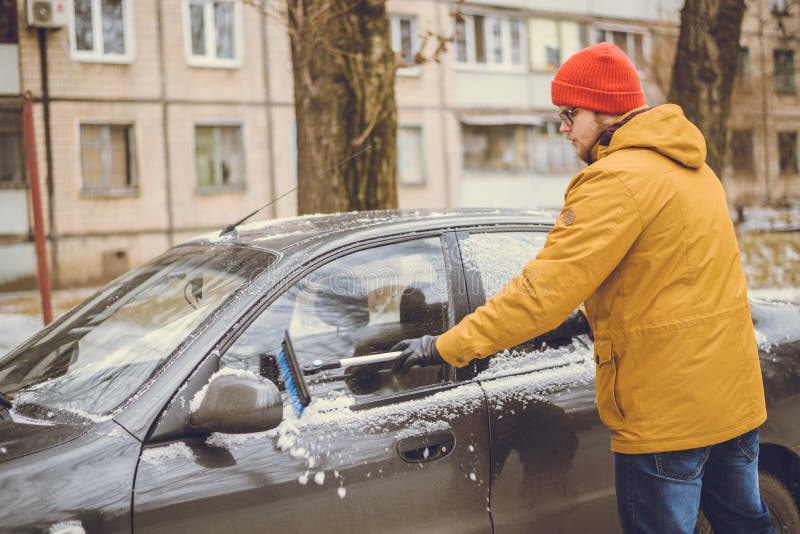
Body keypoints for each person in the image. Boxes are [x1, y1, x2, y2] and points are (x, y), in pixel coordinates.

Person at [392, 43, 774, 533]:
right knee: (746, 524)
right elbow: (672, 282)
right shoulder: (696, 171)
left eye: (570, 113)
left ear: (606, 109)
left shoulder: (616, 181)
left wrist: (447, 345)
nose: (563, 127)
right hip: (733, 400)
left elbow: (540, 294)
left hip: (666, 417)